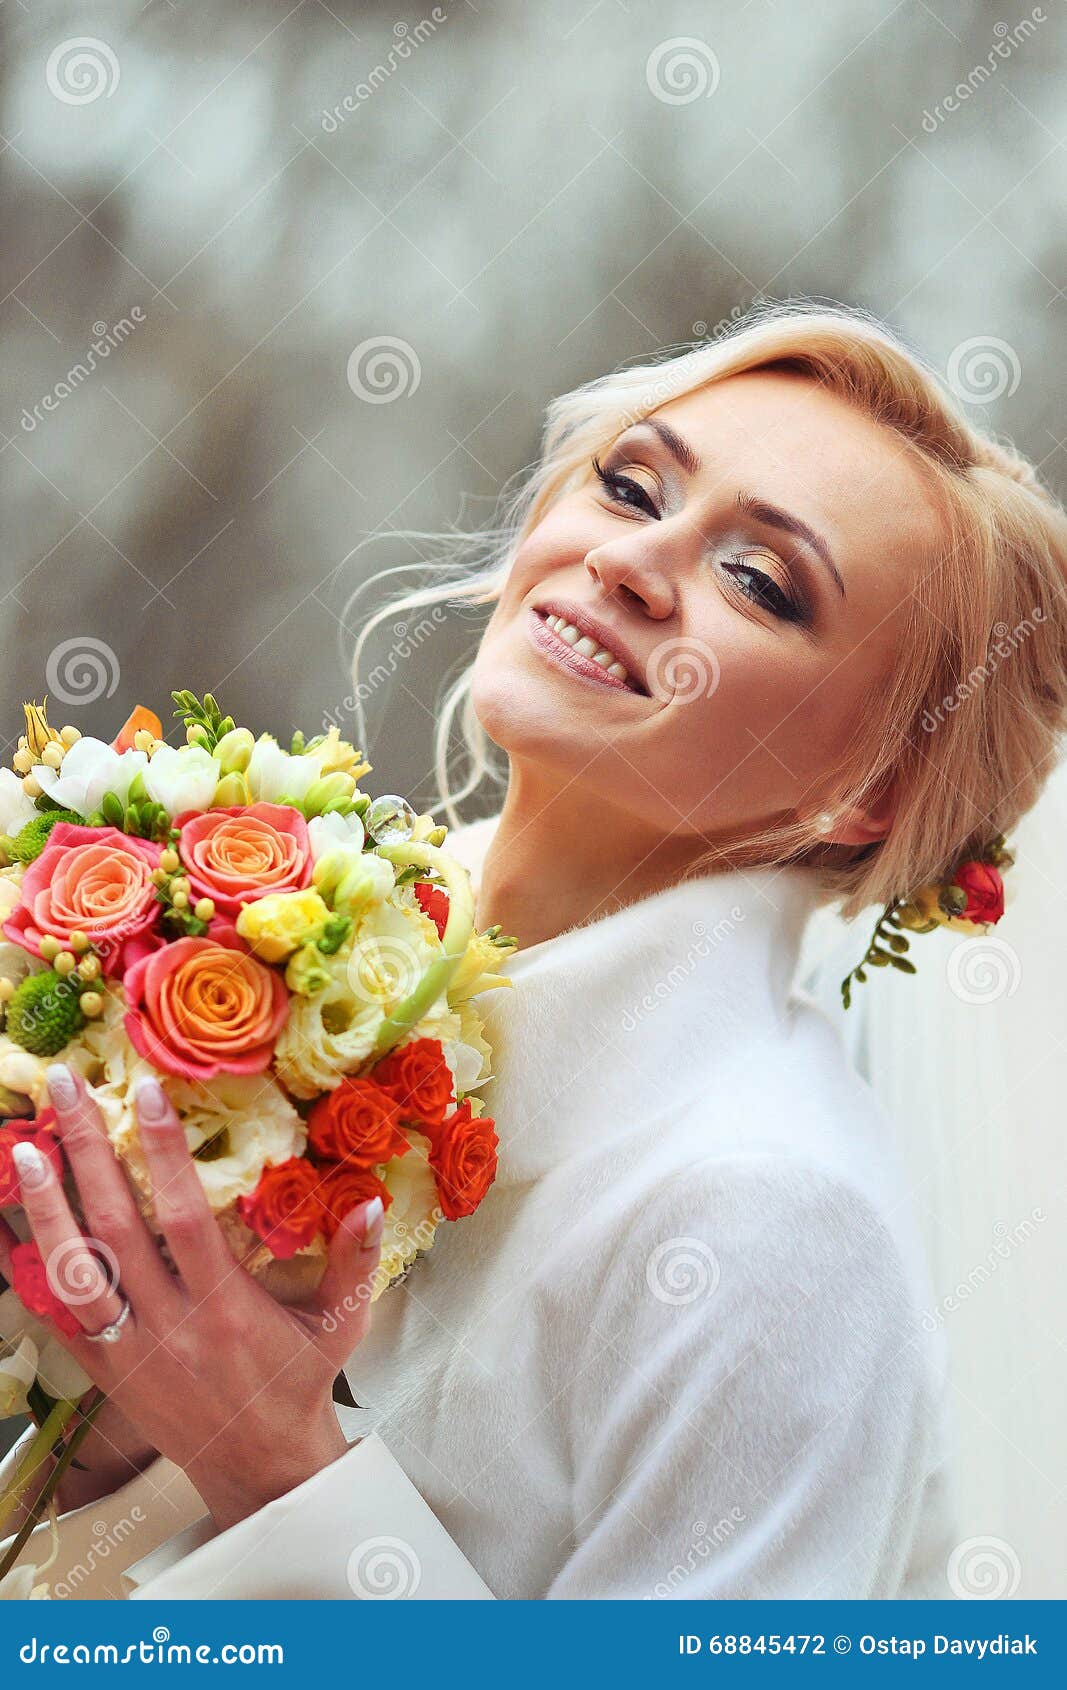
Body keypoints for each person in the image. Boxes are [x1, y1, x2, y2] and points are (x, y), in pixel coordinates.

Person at [2, 306, 1066, 1600]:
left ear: (864, 795)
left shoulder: (774, 1219)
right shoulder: (279, 960)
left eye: (761, 580)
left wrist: (280, 1470)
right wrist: (115, 1407)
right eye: (631, 484)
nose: (631, 558)